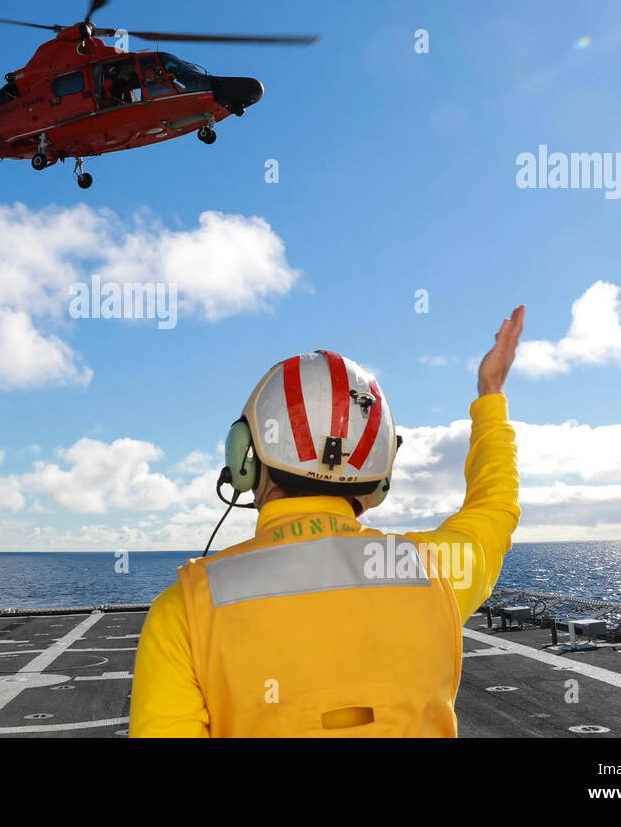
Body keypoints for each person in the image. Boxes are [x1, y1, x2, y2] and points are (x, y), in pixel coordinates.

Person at [129, 305, 525, 737]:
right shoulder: (435, 570)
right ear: (379, 478)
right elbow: (494, 509)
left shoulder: (184, 611)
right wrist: (491, 394)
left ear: (243, 456)